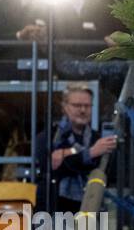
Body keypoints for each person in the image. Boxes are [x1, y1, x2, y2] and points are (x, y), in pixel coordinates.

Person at [35, 85, 116, 214]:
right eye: (77, 105)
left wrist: (67, 153)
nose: (83, 110)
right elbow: (53, 167)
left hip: (90, 210)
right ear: (65, 107)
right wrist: (90, 153)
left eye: (87, 106)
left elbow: (104, 171)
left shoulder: (98, 139)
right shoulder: (49, 137)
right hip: (53, 212)